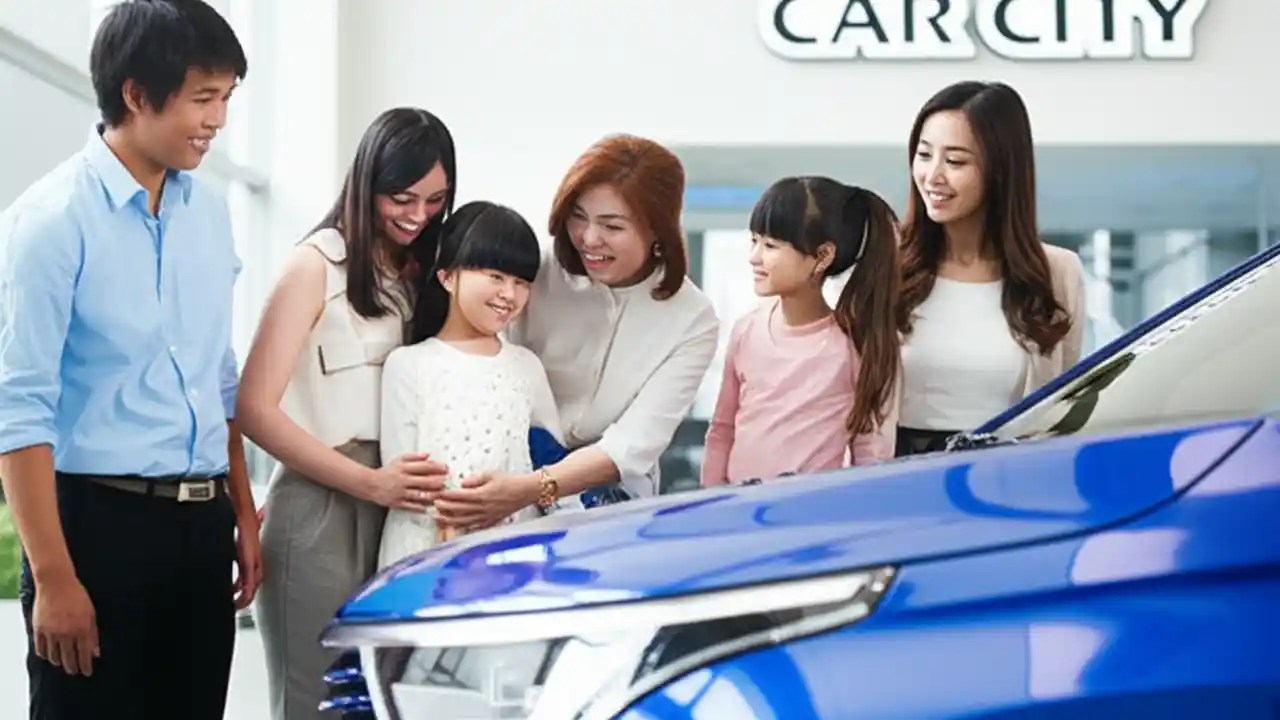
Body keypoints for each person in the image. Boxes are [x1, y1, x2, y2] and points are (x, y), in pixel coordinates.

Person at [0, 2, 258, 718]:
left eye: (227, 99)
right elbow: (19, 411)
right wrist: (53, 578)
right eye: (203, 99)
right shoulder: (47, 224)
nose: (218, 121)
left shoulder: (208, 213)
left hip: (201, 531)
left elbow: (217, 375)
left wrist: (242, 511)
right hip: (94, 532)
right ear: (136, 95)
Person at [236, 107, 456, 720]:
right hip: (319, 506)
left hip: (399, 509)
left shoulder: (416, 273)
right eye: (402, 198)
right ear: (366, 186)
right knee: (314, 705)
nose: (418, 216)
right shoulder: (314, 265)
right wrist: (370, 482)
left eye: (435, 201)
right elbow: (253, 408)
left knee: (380, 704)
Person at [431, 134, 719, 527]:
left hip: (611, 501)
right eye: (578, 217)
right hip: (508, 471)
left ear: (658, 231)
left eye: (612, 226)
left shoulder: (692, 318)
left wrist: (532, 488)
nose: (588, 238)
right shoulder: (539, 273)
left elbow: (634, 443)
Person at [896, 81, 1086, 457]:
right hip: (900, 481)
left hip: (1010, 480)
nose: (933, 176)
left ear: (1000, 170)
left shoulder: (1058, 273)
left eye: (955, 161)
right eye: (924, 154)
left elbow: (1062, 409)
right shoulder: (886, 265)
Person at [377, 201, 561, 567]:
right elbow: (403, 476)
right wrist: (463, 518)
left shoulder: (526, 366)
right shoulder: (409, 364)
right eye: (496, 276)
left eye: (521, 282)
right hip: (425, 549)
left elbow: (550, 461)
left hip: (513, 552)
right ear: (447, 277)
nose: (510, 294)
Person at [700, 177, 901, 486]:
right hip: (736, 515)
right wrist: (709, 503)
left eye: (770, 246)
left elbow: (869, 454)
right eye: (753, 241)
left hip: (808, 520)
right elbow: (722, 430)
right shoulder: (746, 331)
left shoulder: (850, 347)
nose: (754, 256)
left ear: (822, 257)